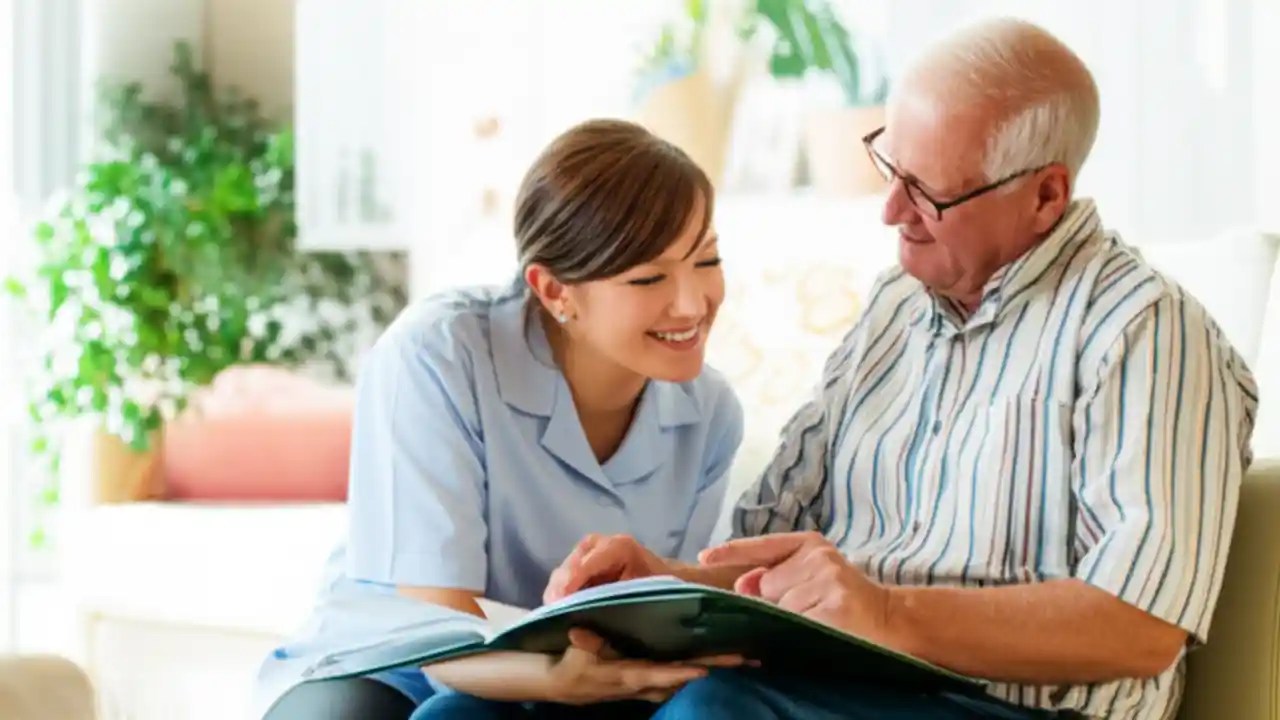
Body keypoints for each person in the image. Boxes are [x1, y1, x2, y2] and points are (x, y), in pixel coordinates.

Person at [544, 18, 1258, 720]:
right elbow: (783, 556)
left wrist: (886, 611)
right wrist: (664, 588)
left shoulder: (1144, 331)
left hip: (1007, 709)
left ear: (1046, 196)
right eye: (891, 166)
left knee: (715, 712)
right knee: (469, 711)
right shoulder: (898, 306)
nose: (891, 211)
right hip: (831, 687)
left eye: (930, 193)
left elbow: (1141, 627)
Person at [253, 118, 745, 719]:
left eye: (707, 260)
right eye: (648, 278)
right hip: (393, 664)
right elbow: (435, 633)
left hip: (576, 681)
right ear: (555, 290)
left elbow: (655, 612)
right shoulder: (439, 353)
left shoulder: (710, 413)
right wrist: (554, 680)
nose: (693, 304)